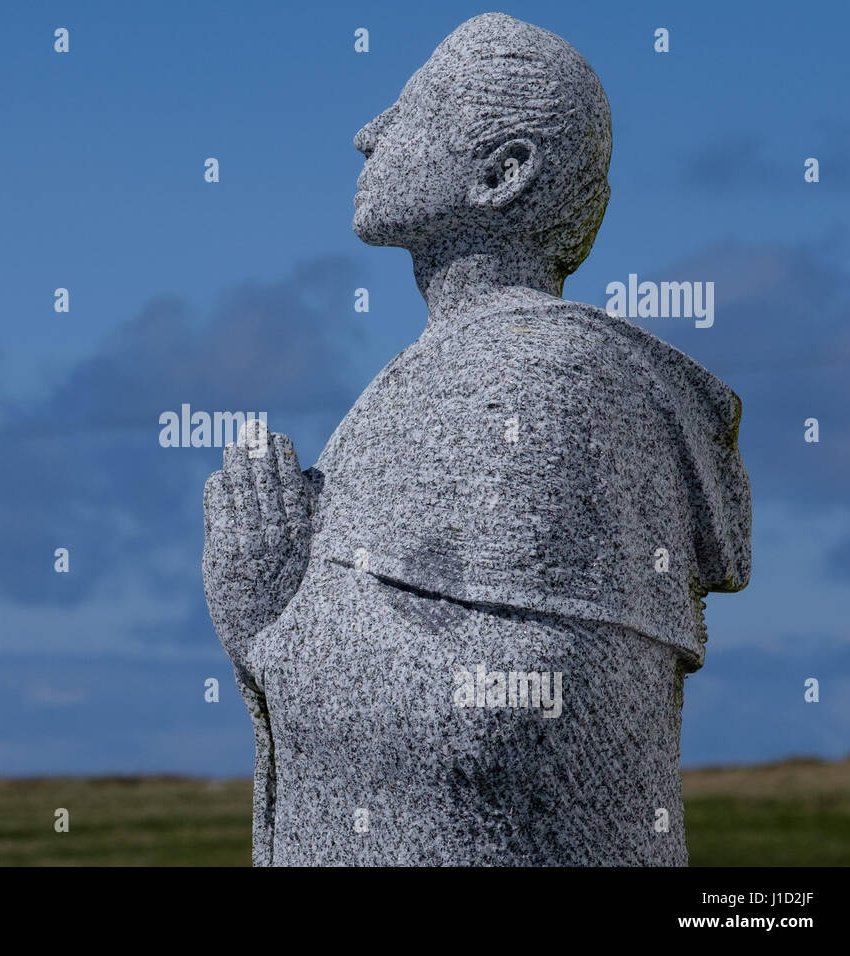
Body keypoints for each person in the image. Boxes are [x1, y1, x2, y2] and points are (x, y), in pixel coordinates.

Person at [202, 13, 751, 865]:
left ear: (504, 172)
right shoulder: (443, 370)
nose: (367, 134)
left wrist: (282, 623)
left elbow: (515, 716)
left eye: (409, 108)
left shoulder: (554, 378)